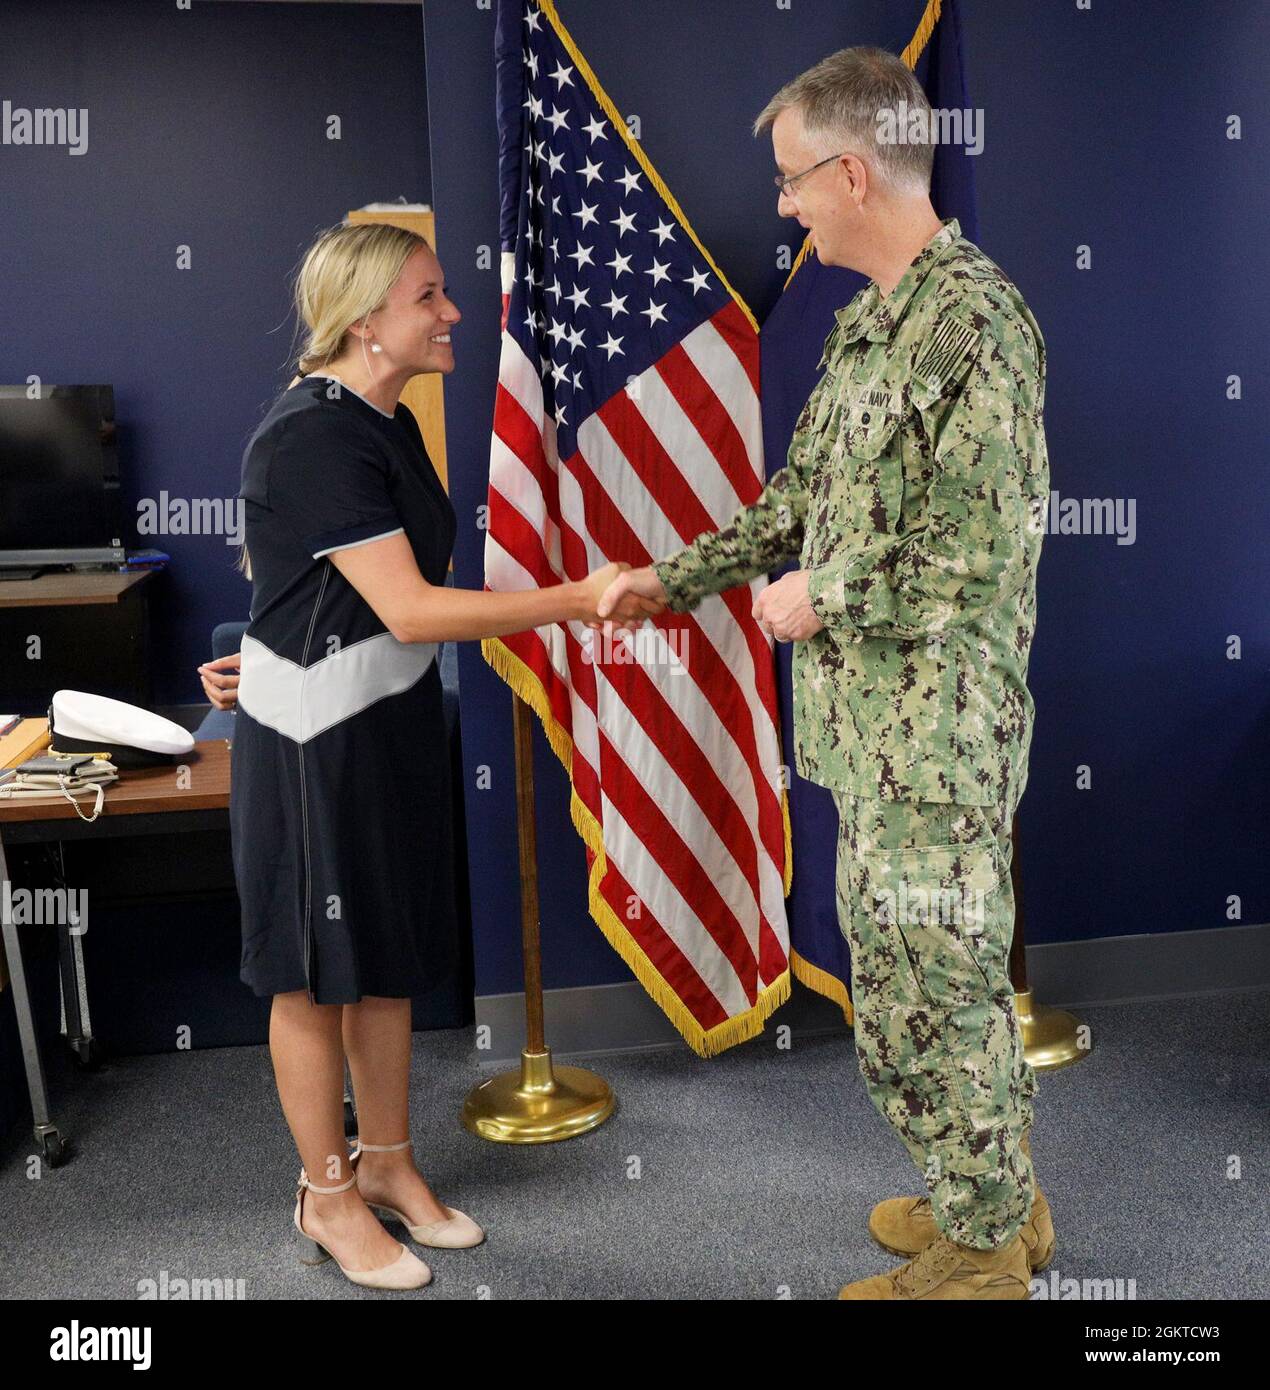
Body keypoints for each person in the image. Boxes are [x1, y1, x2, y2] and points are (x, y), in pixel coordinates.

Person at [596, 46, 1054, 1300]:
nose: (786, 207)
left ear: (853, 172)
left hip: (939, 740)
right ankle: (999, 1197)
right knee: (908, 982)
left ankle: (983, 1253)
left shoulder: (977, 323)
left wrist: (824, 593)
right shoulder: (863, 325)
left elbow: (981, 542)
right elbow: (801, 495)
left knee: (938, 989)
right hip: (867, 734)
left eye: (794, 182)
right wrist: (677, 576)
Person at [232, 221, 658, 1291]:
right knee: (312, 978)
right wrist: (576, 597)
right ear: (367, 320)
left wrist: (256, 647)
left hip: (383, 729)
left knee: (383, 967)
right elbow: (414, 609)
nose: (451, 312)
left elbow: (308, 587)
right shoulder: (316, 437)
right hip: (312, 749)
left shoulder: (380, 419)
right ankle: (325, 1196)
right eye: (430, 296)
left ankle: (387, 1168)